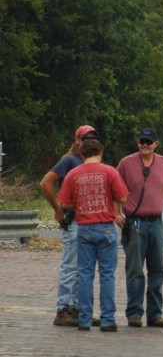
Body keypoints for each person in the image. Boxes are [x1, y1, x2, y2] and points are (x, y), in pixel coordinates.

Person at [57, 138, 128, 332]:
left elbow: (64, 203)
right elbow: (122, 197)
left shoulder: (73, 174)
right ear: (101, 152)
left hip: (84, 227)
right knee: (107, 275)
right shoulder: (110, 172)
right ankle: (107, 320)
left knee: (85, 275)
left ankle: (85, 319)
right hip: (105, 227)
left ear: (82, 154)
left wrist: (81, 203)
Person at [116, 128, 163, 328]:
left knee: (157, 270)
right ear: (137, 142)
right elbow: (115, 189)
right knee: (135, 270)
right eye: (142, 141)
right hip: (135, 224)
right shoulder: (126, 163)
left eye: (148, 142)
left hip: (159, 223)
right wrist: (118, 213)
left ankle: (155, 314)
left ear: (156, 144)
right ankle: (134, 313)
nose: (145, 145)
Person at [40, 124, 98, 327]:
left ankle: (77, 308)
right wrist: (57, 210)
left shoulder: (92, 161)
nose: (87, 142)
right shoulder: (69, 160)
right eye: (84, 139)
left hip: (87, 221)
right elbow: (46, 183)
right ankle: (64, 308)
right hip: (72, 220)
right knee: (71, 265)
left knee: (84, 267)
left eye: (91, 139)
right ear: (77, 140)